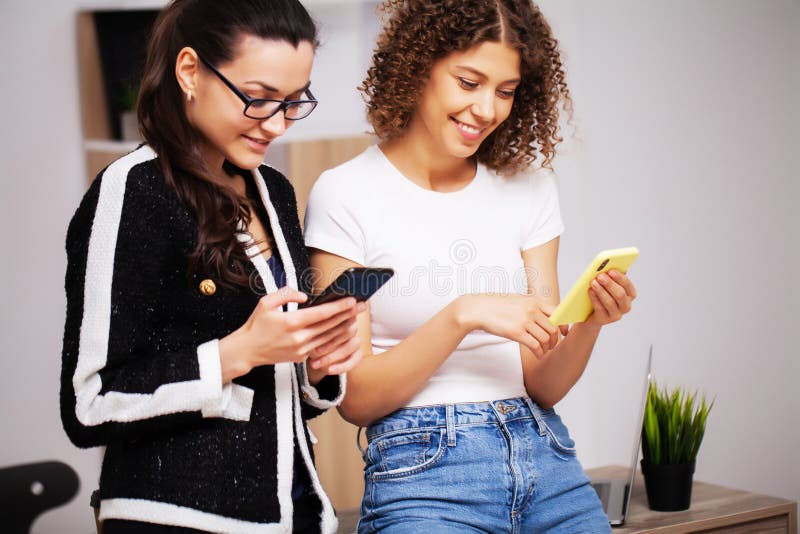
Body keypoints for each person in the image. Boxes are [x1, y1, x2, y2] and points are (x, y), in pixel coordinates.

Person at [303, 0, 638, 532]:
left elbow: (543, 384)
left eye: (505, 91)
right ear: (419, 67)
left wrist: (592, 321)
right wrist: (464, 314)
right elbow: (357, 399)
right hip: (424, 473)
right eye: (469, 82)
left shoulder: (529, 190)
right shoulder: (346, 194)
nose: (487, 108)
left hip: (545, 455)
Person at [60, 1, 364, 532]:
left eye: (294, 102)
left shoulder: (274, 191)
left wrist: (317, 361)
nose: (277, 124)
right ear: (189, 72)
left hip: (291, 511)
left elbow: (282, 400)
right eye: (258, 98)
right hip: (174, 517)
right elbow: (89, 403)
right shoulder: (132, 191)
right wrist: (236, 352)